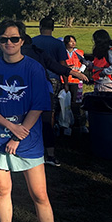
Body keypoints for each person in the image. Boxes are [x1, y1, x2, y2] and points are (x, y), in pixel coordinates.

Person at [0, 19, 65, 222]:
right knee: (2, 191)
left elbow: (38, 104)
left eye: (14, 39)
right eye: (4, 39)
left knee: (39, 194)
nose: (9, 43)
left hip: (28, 142)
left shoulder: (34, 68)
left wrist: (18, 135)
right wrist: (8, 126)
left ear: (23, 41)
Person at [31, 17, 68, 167]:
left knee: (32, 111)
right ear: (53, 28)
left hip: (34, 79)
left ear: (40, 26)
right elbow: (62, 64)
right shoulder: (58, 44)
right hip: (52, 80)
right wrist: (65, 83)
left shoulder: (33, 41)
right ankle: (50, 147)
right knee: (49, 112)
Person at [63, 35, 87, 133]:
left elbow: (85, 63)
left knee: (77, 103)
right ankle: (66, 124)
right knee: (65, 104)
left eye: (74, 41)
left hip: (77, 81)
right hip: (66, 81)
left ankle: (79, 124)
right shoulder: (62, 53)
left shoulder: (78, 52)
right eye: (71, 41)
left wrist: (80, 72)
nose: (73, 43)